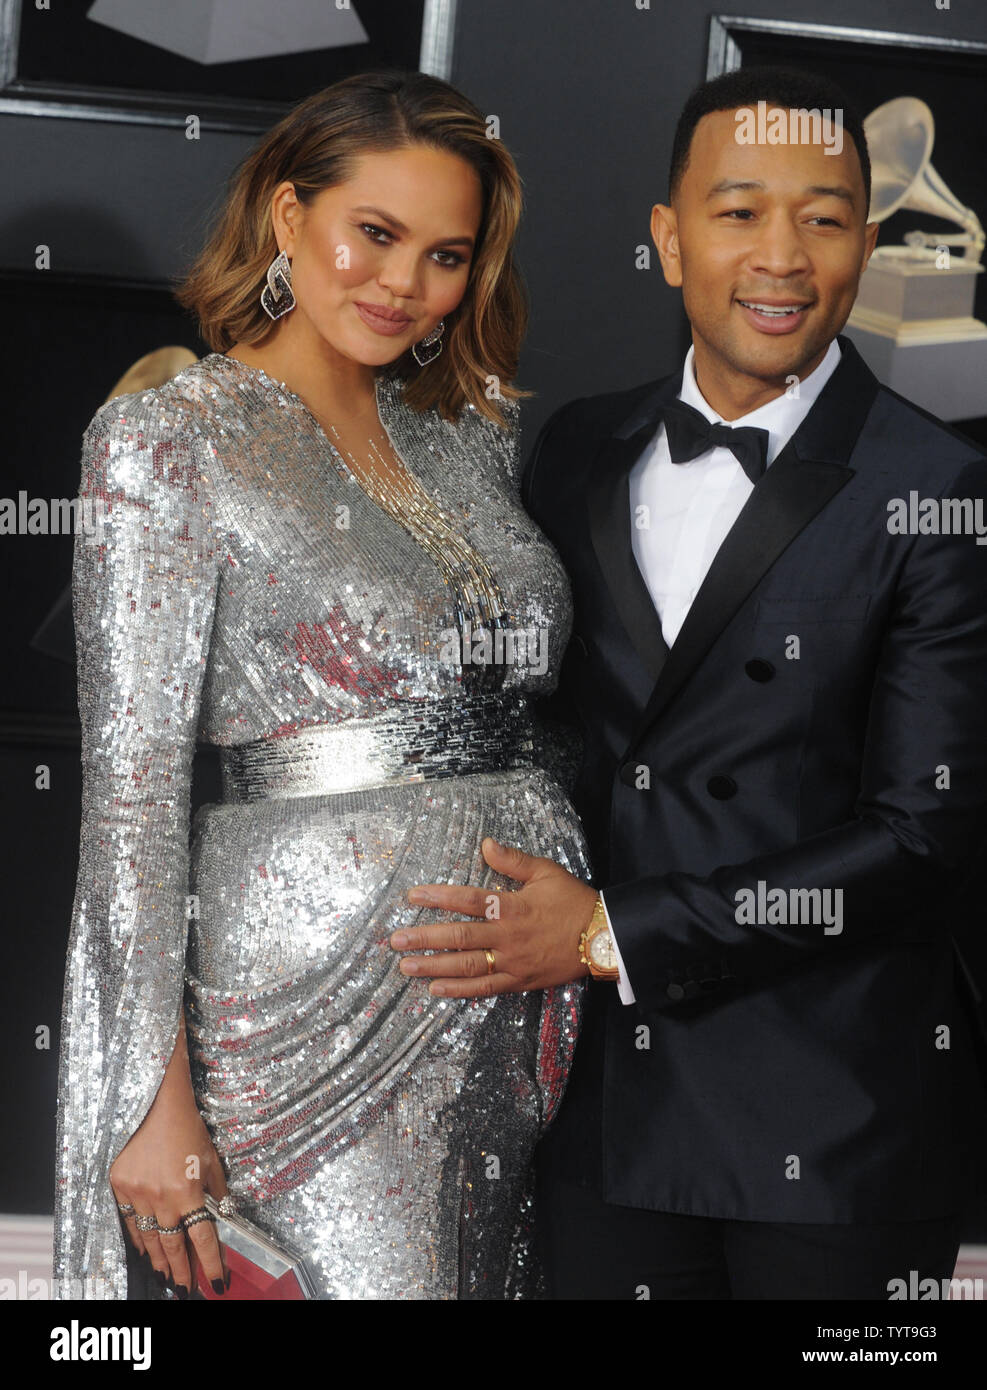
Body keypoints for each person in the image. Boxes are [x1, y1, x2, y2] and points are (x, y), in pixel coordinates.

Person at [392, 65, 987, 1299]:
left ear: (867, 247)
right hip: (601, 1116)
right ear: (668, 240)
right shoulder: (576, 448)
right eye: (739, 211)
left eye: (824, 218)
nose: (782, 256)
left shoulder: (940, 488)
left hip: (836, 1133)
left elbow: (924, 835)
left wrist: (610, 930)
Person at [52, 68, 590, 1302]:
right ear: (289, 217)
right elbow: (130, 803)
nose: (404, 285)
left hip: (513, 1002)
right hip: (305, 1007)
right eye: (376, 234)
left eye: (446, 255)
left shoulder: (470, 433)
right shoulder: (168, 439)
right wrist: (147, 1101)